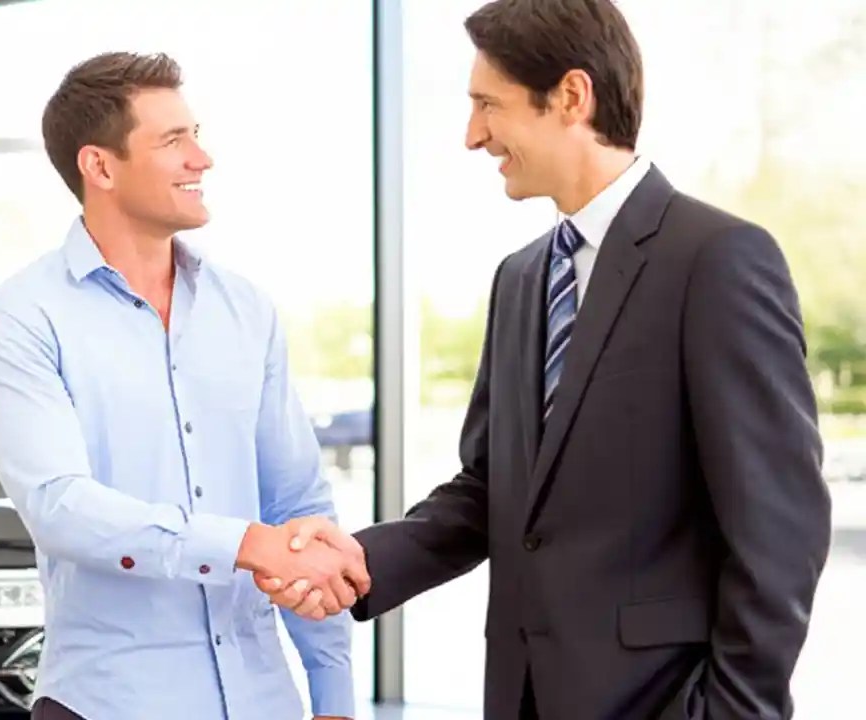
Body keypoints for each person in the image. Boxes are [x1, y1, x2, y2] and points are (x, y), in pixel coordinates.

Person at [266, 1, 832, 718]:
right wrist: (362, 560)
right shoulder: (521, 278)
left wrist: (733, 710)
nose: (473, 135)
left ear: (571, 96)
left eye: (487, 105)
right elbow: (491, 491)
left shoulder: (717, 260)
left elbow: (780, 529)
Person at [0, 52, 368, 720]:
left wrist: (332, 693)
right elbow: (61, 506)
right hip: (109, 702)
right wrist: (243, 544)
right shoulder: (22, 319)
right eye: (173, 140)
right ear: (99, 166)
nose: (202, 159)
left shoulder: (246, 310)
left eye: (196, 134)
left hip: (262, 700)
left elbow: (298, 504)